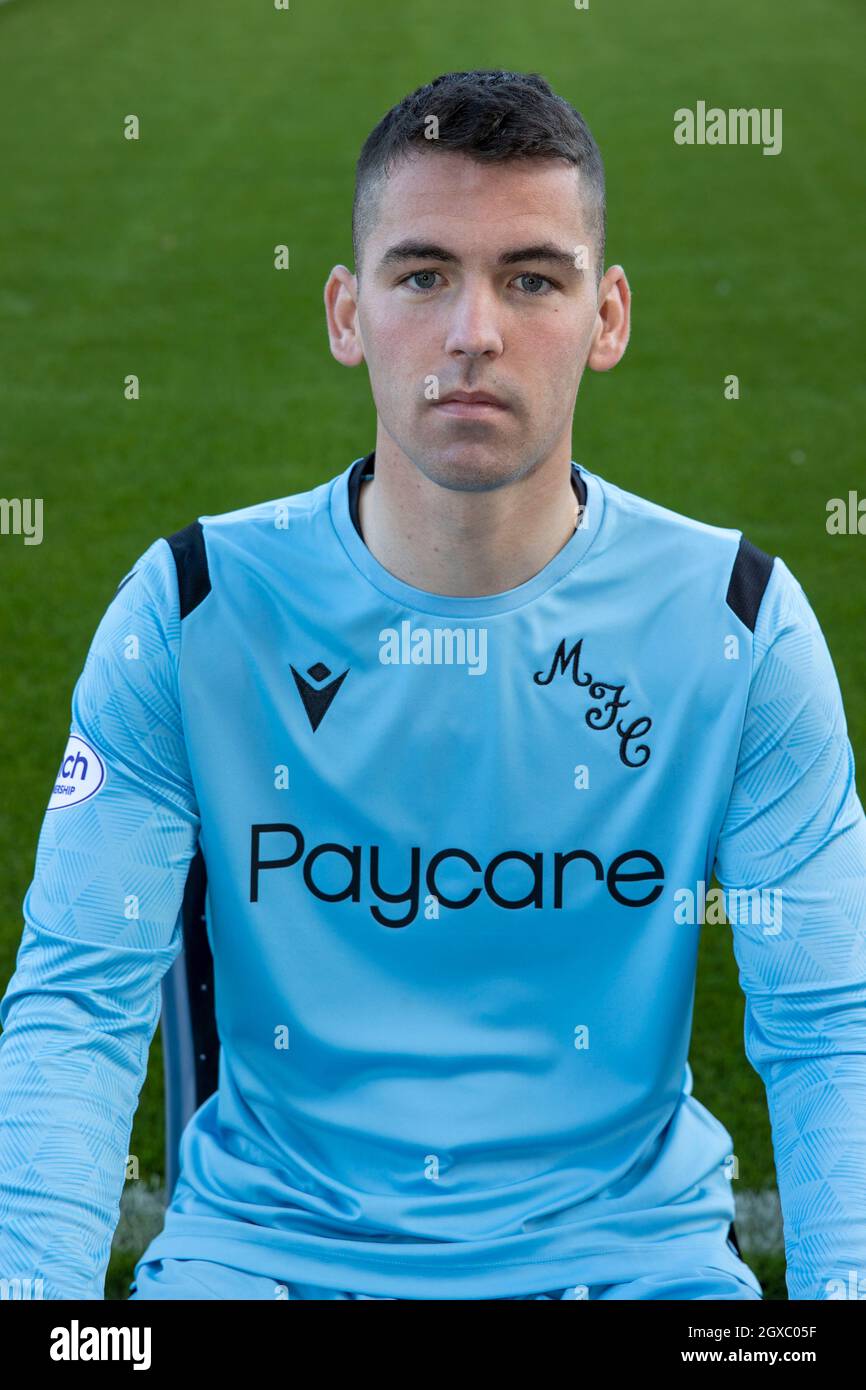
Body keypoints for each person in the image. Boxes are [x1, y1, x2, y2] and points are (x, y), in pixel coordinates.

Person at [1, 70, 864, 1303]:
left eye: (531, 279)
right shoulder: (191, 609)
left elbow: (832, 1024)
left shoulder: (734, 622)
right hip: (261, 1263)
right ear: (346, 312)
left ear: (606, 316)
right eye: (421, 275)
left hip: (633, 1268)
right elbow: (77, 1010)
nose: (473, 332)